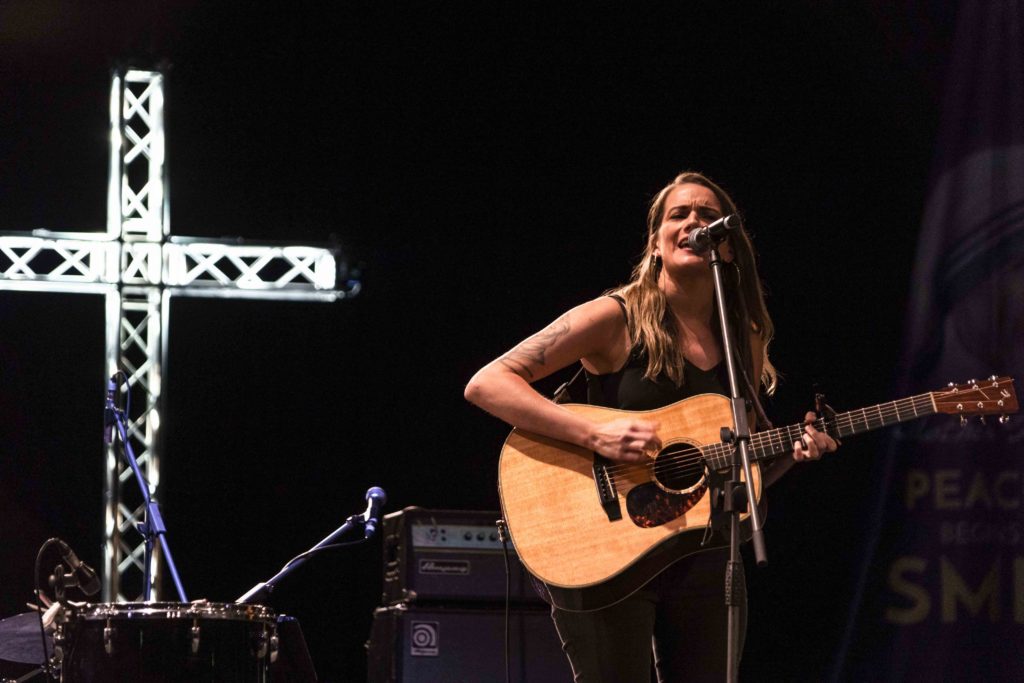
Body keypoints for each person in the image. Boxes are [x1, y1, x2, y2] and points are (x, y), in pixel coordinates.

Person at [464, 171, 839, 681]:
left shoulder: (741, 338)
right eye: (678, 215)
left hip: (704, 552)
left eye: (708, 216)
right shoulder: (614, 317)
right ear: (656, 242)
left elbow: (736, 461)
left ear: (727, 247)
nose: (693, 223)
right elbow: (488, 383)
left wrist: (793, 454)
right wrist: (594, 435)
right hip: (604, 547)